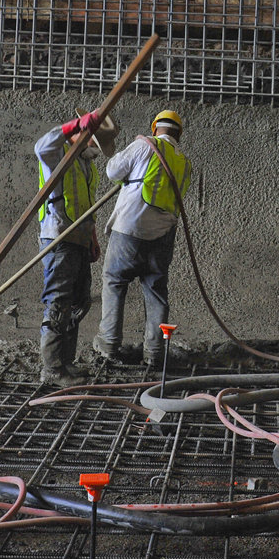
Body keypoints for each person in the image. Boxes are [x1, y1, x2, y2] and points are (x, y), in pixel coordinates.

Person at [92, 110, 192, 369]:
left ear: (155, 127)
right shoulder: (184, 162)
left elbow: (113, 170)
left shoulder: (145, 145)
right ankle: (155, 352)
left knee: (114, 282)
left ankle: (109, 343)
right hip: (163, 236)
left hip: (129, 230)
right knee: (156, 291)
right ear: (179, 134)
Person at [34, 108, 118, 384]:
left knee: (79, 301)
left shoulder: (87, 165)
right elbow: (41, 145)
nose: (96, 149)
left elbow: (86, 206)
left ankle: (65, 362)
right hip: (59, 238)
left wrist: (91, 237)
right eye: (96, 141)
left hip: (78, 239)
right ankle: (52, 369)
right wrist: (73, 126)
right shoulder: (58, 154)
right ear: (85, 135)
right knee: (59, 304)